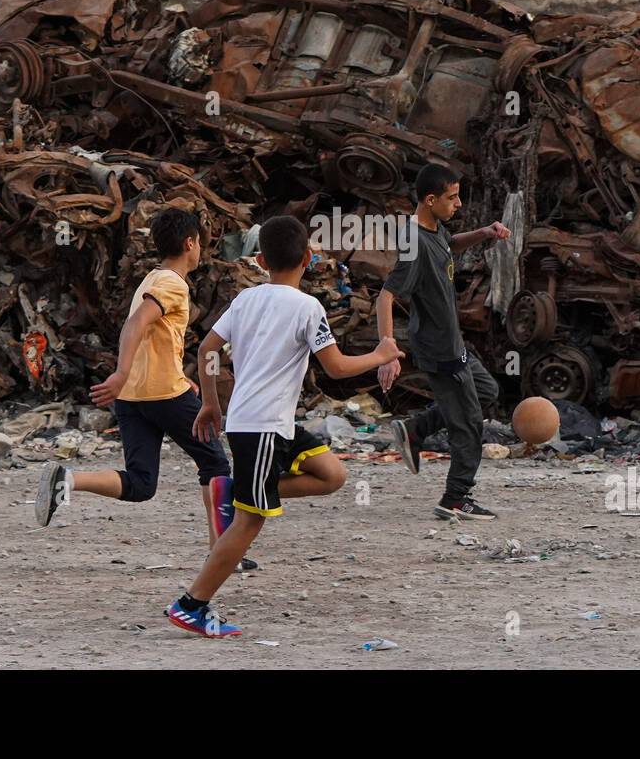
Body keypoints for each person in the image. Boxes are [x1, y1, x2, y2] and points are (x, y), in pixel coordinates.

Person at [164, 215, 403, 637]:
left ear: (259, 260)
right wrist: (382, 355)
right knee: (249, 523)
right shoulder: (308, 307)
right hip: (261, 427)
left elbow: (206, 348)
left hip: (271, 424)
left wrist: (211, 404)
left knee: (332, 475)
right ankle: (191, 606)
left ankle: (234, 491)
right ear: (309, 259)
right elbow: (338, 367)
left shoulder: (244, 299)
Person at [34, 207, 254, 568]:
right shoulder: (172, 283)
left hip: (134, 398)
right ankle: (223, 553)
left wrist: (164, 377)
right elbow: (136, 325)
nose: (201, 249)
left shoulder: (152, 278)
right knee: (214, 462)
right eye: (200, 242)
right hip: (162, 395)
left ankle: (67, 479)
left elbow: (153, 337)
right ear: (189, 243)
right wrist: (121, 372)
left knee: (141, 483)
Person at [375, 163, 510, 520]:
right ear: (430, 199)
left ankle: (416, 429)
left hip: (453, 342)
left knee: (486, 391)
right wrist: (387, 352)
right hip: (441, 348)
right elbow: (385, 297)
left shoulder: (433, 229)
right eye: (452, 198)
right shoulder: (415, 243)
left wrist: (484, 233)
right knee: (467, 422)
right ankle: (456, 497)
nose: (459, 204)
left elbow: (448, 245)